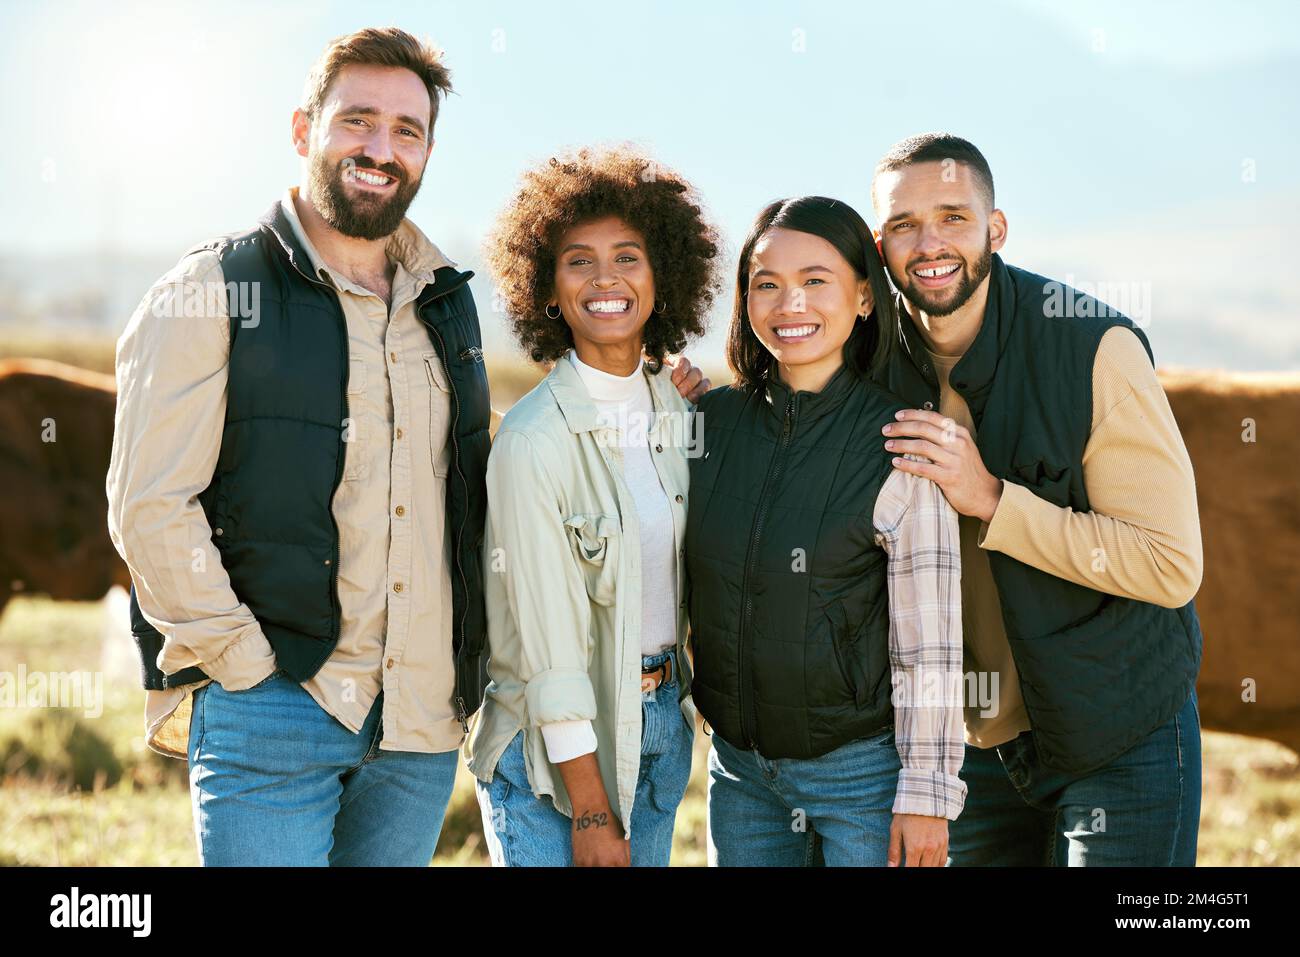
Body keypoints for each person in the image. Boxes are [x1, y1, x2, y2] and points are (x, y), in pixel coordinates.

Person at [105, 29, 707, 867]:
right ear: (301, 128)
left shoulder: (445, 303)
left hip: (419, 729)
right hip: (276, 711)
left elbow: (471, 473)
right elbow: (148, 508)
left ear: (427, 150)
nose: (381, 148)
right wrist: (249, 670)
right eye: (357, 121)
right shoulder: (208, 294)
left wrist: (635, 413)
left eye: (407, 130)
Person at [870, 132, 1204, 866]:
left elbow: (1171, 563)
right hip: (976, 752)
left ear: (996, 228)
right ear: (880, 242)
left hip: (1118, 732)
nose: (929, 243)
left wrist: (993, 499)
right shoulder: (867, 359)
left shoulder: (1094, 347)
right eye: (904, 224)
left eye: (954, 217)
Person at [685, 196, 966, 867]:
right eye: (767, 285)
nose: (791, 305)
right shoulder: (706, 427)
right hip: (740, 772)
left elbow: (931, 644)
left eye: (816, 281)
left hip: (861, 778)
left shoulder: (901, 442)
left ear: (864, 298)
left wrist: (927, 794)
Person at [464, 146, 720, 866]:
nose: (605, 278)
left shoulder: (677, 410)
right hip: (559, 758)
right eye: (579, 260)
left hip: (661, 726)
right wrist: (591, 808)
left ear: (662, 275)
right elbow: (548, 649)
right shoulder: (532, 440)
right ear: (548, 288)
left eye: (628, 256)